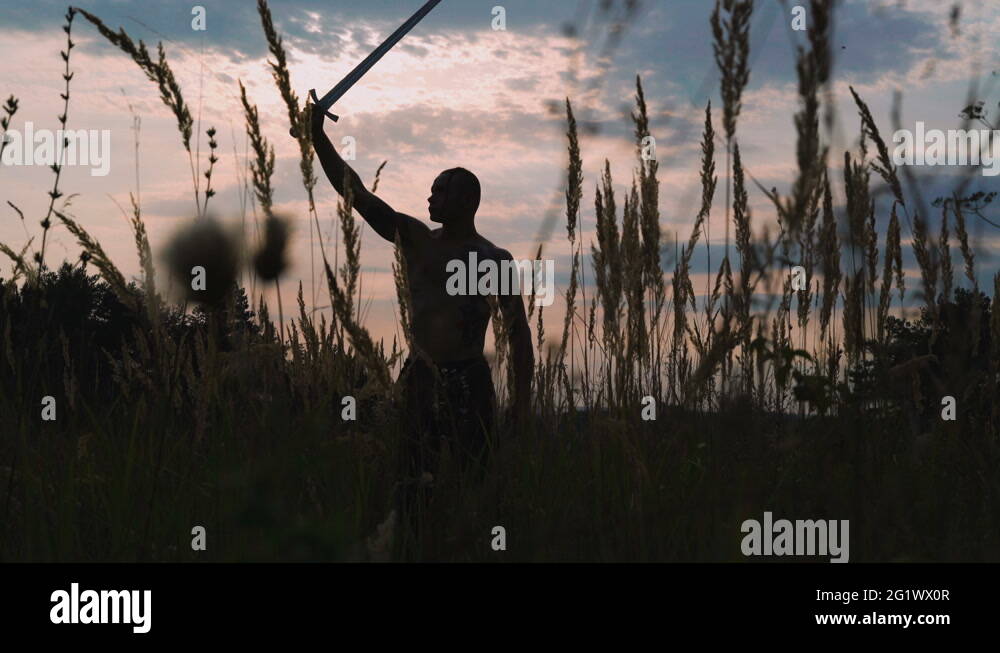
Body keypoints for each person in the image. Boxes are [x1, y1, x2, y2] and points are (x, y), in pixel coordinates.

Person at [310, 106, 534, 543]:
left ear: (466, 201)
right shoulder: (415, 240)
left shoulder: (492, 260)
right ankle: (412, 546)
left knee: (477, 485)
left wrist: (523, 403)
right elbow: (356, 194)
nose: (430, 199)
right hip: (420, 379)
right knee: (412, 484)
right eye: (431, 192)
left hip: (470, 381)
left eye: (439, 192)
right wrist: (318, 137)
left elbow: (519, 333)